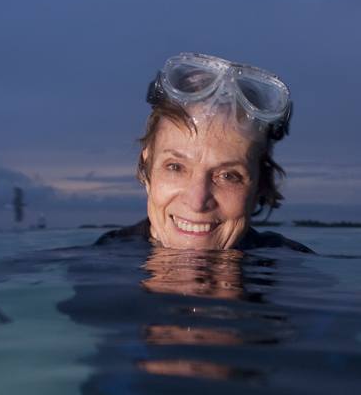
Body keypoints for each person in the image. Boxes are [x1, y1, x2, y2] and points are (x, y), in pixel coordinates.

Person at [95, 52, 313, 253]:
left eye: (228, 175)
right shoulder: (101, 263)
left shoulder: (290, 265)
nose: (197, 201)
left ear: (261, 184)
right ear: (147, 169)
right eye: (175, 167)